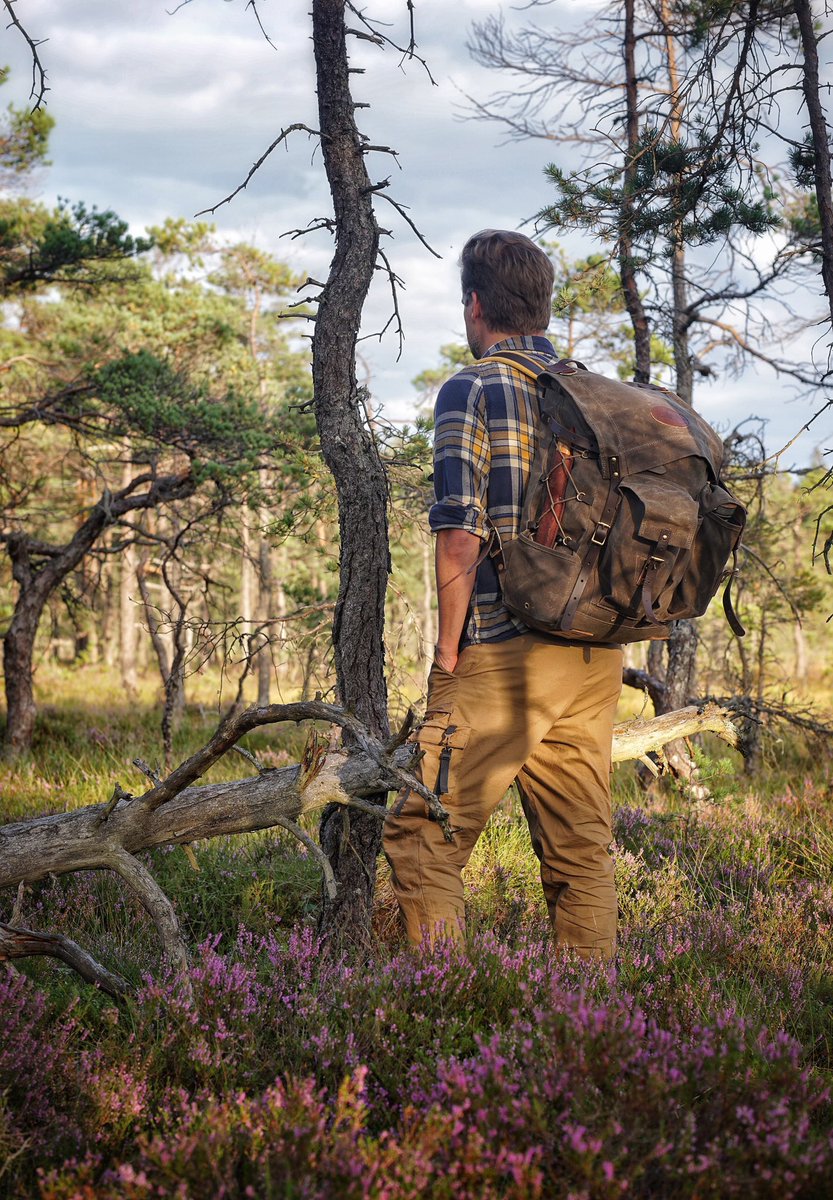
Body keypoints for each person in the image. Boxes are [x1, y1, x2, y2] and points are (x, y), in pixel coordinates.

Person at [383, 229, 624, 958]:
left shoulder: (474, 386)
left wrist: (448, 652)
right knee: (580, 851)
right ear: (542, 305)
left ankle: (441, 1016)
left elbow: (459, 531)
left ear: (476, 304)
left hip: (501, 644)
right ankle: (593, 1034)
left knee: (424, 834)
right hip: (592, 650)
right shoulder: (595, 393)